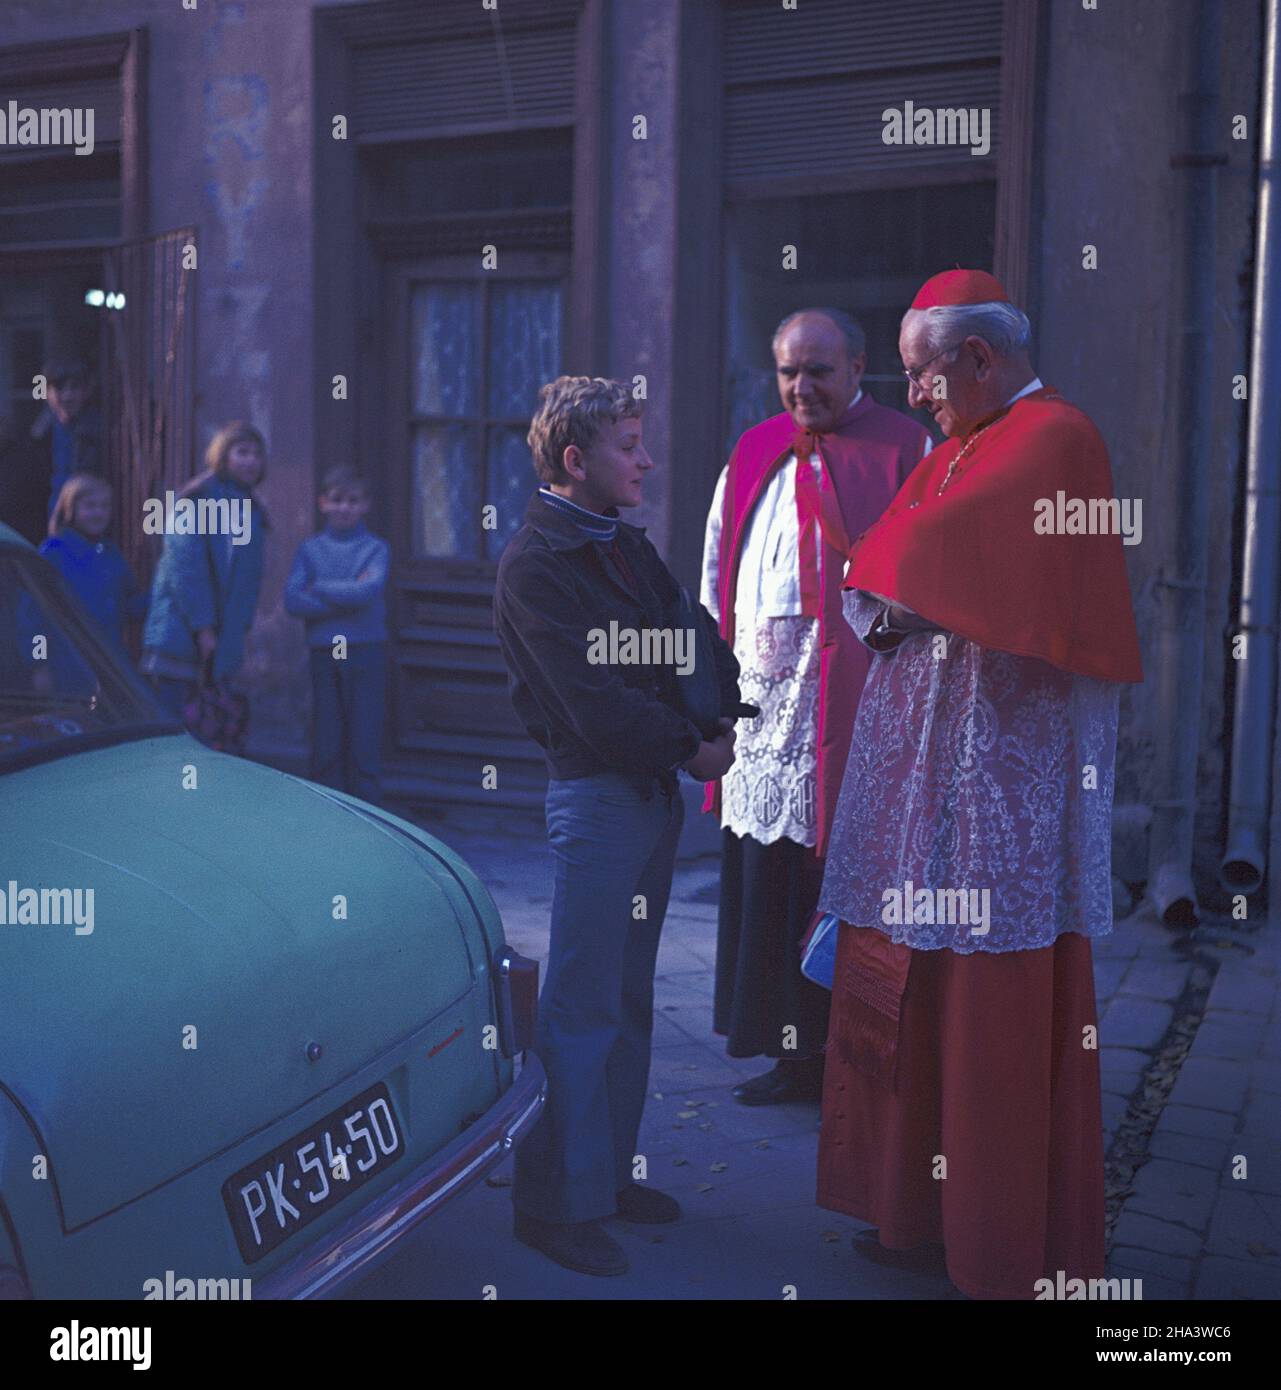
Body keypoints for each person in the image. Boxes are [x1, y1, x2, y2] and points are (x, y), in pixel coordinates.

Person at [815, 269, 1143, 1300]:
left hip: (1002, 780)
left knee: (990, 1004)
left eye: (923, 375)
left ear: (980, 358)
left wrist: (905, 583)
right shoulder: (956, 446)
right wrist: (900, 586)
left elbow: (919, 557)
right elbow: (885, 566)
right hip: (930, 782)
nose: (913, 395)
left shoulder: (1054, 439)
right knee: (911, 985)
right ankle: (912, 1210)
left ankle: (995, 1241)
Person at [494, 375, 742, 1277]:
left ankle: (605, 1177)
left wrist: (725, 710)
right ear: (575, 460)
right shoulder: (536, 564)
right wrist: (691, 746)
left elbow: (687, 634)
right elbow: (592, 702)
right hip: (599, 799)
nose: (645, 459)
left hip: (647, 795)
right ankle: (554, 1205)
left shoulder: (622, 549)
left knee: (629, 997)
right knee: (580, 1002)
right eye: (628, 445)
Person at [700, 309, 930, 1106]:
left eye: (818, 371)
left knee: (836, 879)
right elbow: (714, 570)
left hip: (854, 702)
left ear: (858, 365)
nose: (801, 388)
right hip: (764, 706)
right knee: (768, 876)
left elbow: (925, 582)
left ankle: (849, 1060)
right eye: (788, 372)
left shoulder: (905, 448)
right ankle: (786, 1053)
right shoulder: (752, 452)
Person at [140, 422, 267, 720]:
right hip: (180, 634)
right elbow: (185, 569)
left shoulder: (252, 509)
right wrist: (203, 627)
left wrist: (236, 631)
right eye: (242, 452)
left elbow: (246, 582)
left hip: (217, 648)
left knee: (208, 734)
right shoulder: (196, 499)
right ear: (223, 456)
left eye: (257, 454)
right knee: (172, 732)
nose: (251, 461)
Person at [285, 466, 389, 805]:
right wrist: (348, 596)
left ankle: (368, 805)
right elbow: (292, 599)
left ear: (365, 506)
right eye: (337, 500)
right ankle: (326, 804)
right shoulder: (310, 549)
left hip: (366, 649)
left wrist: (321, 588)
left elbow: (368, 591)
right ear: (322, 504)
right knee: (327, 731)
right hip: (325, 651)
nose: (344, 507)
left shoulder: (375, 548)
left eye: (352, 501)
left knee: (365, 732)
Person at [0, 358, 103, 546]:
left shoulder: (97, 430)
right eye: (59, 389)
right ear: (47, 393)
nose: (67, 396)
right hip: (42, 524)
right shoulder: (37, 434)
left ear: (86, 392)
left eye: (74, 388)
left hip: (84, 521)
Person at [40, 473, 146, 656]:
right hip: (67, 662)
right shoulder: (53, 551)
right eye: (90, 506)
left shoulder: (111, 552)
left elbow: (129, 605)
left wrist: (164, 587)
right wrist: (38, 663)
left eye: (104, 506)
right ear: (70, 509)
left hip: (109, 662)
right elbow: (34, 612)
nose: (98, 513)